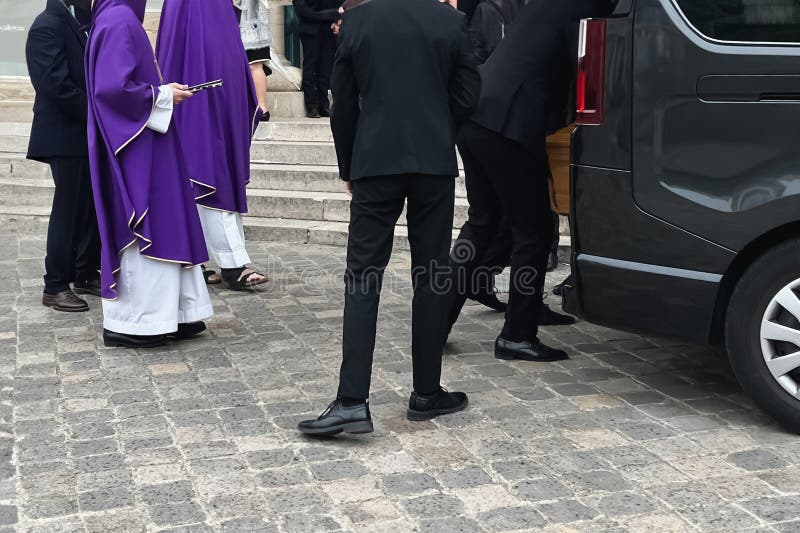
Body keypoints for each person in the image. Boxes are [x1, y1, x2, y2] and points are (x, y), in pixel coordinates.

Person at [298, 0, 481, 437]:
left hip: (375, 160)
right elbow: (469, 94)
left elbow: (342, 103)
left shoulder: (358, 21)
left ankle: (351, 401)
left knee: (363, 276)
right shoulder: (451, 21)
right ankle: (427, 391)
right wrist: (437, 129)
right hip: (432, 162)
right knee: (432, 273)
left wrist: (349, 165)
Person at [449, 0, 614, 362]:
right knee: (534, 230)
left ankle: (435, 321)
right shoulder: (591, 6)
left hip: (479, 113)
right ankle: (517, 335)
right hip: (509, 122)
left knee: (483, 222)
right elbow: (591, 66)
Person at [87, 0, 213, 349]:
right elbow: (112, 91)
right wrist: (162, 94)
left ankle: (175, 312)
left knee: (169, 220)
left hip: (150, 143)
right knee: (148, 225)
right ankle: (138, 321)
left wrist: (161, 93)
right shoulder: (118, 20)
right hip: (137, 149)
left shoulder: (118, 18)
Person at [156, 0, 269, 292]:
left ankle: (202, 261)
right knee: (210, 176)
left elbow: (230, 50)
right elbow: (182, 50)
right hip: (200, 102)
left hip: (222, 99)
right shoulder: (189, 5)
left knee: (215, 179)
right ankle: (232, 265)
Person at [26, 0, 101, 313]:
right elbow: (54, 85)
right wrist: (97, 113)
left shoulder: (81, 21)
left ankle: (84, 272)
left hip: (82, 134)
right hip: (64, 134)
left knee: (90, 207)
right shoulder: (47, 24)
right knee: (68, 210)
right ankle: (55, 284)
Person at [293, 0, 343, 118]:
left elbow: (338, 7)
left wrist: (336, 20)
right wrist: (330, 15)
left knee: (326, 68)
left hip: (328, 30)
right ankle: (312, 105)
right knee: (310, 67)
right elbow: (302, 10)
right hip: (310, 30)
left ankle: (323, 104)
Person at [234, 0, 272, 122]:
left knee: (255, 65)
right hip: (244, 23)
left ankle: (262, 108)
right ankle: (254, 108)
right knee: (249, 67)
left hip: (253, 26)